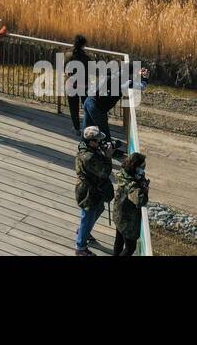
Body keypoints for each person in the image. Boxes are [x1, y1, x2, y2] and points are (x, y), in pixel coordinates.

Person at [74, 125, 115, 256]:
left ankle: (82, 231)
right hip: (88, 191)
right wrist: (108, 157)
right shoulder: (89, 157)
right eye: (97, 141)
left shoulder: (86, 147)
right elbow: (105, 172)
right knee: (88, 216)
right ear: (91, 141)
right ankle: (80, 248)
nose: (100, 143)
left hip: (93, 187)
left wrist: (101, 151)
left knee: (98, 209)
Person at [112, 152, 149, 256]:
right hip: (127, 220)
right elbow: (140, 200)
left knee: (119, 241)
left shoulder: (124, 173)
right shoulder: (131, 185)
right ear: (135, 167)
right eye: (142, 166)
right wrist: (145, 191)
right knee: (130, 248)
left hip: (119, 213)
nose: (144, 169)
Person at [65, 34, 90, 135]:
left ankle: (76, 128)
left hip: (71, 85)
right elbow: (90, 71)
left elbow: (65, 69)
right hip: (83, 85)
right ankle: (87, 128)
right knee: (87, 107)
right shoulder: (86, 57)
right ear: (83, 45)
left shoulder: (67, 54)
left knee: (73, 108)